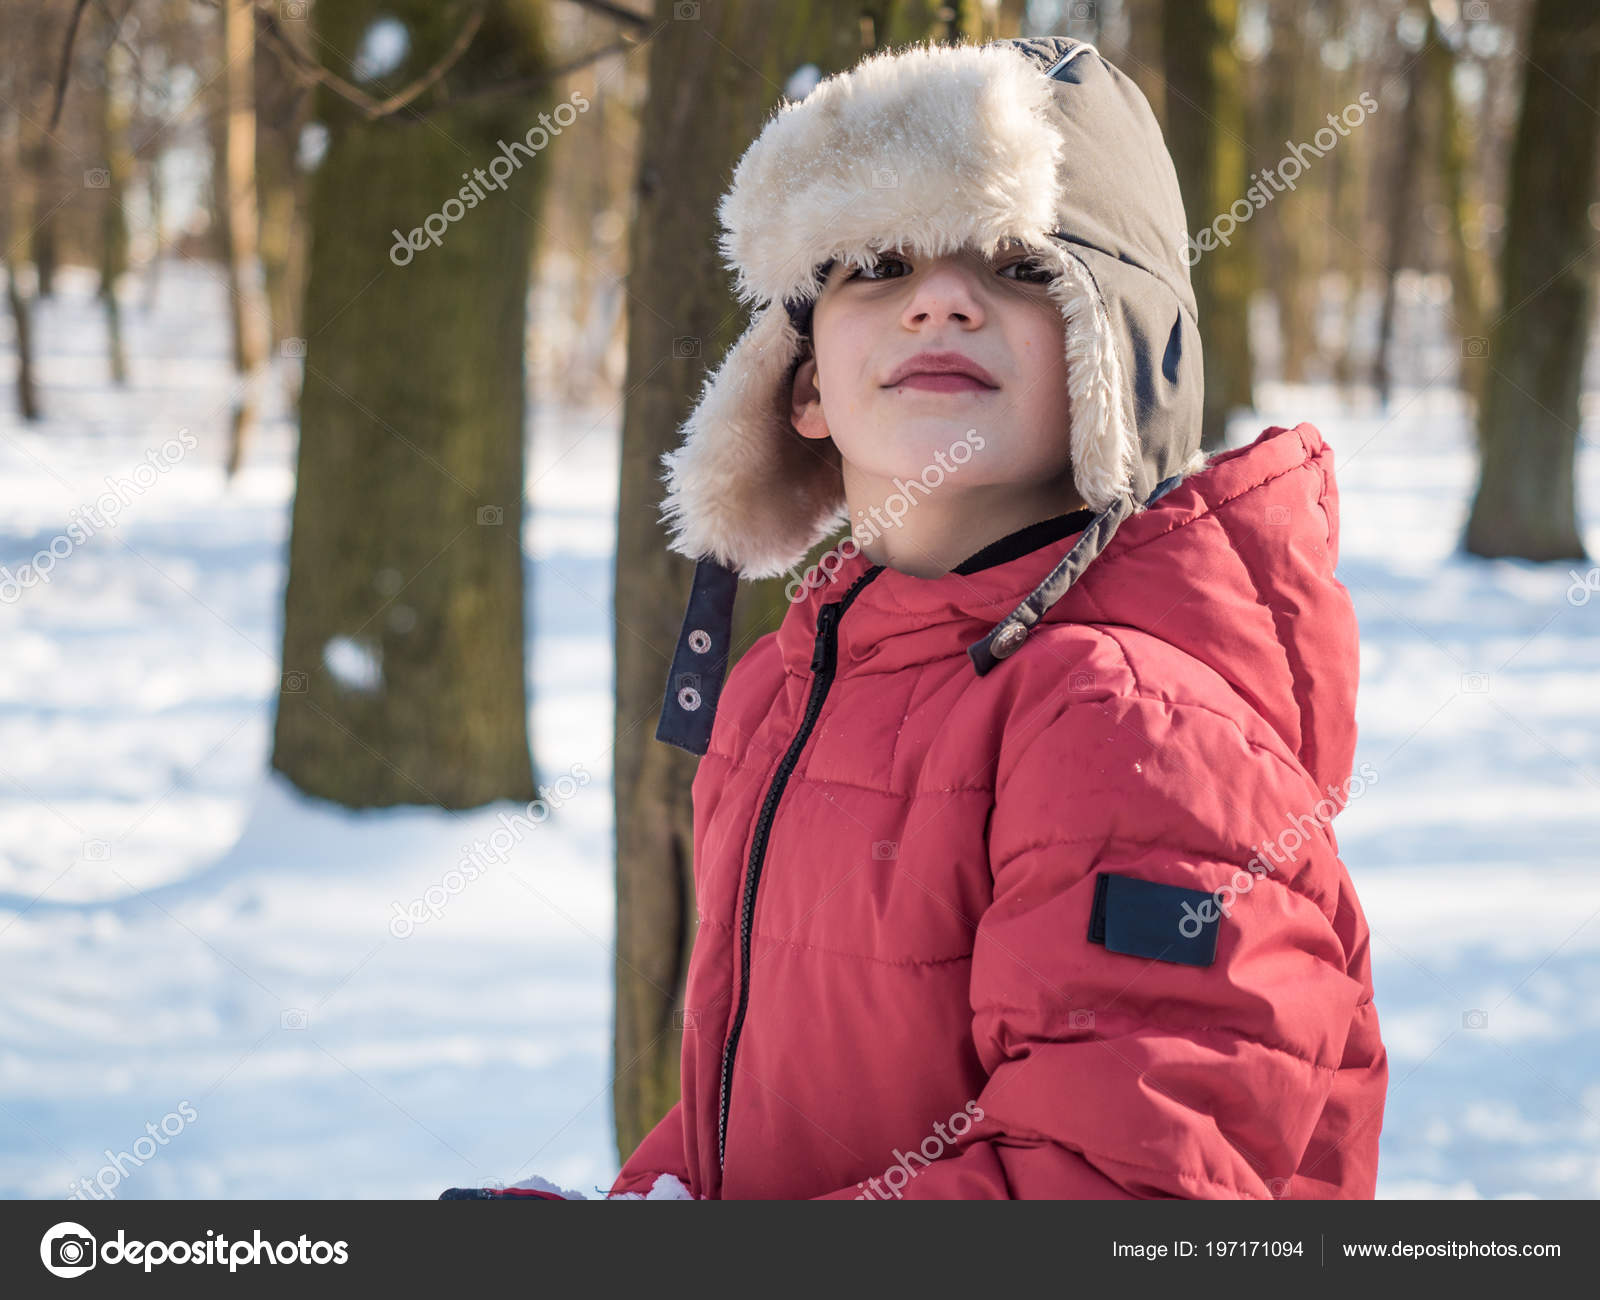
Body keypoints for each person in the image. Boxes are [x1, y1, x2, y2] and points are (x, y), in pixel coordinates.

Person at [472, 32, 1386, 1202]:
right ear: (801, 382)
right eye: (879, 264)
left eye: (1016, 264)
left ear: (1118, 362)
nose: (941, 299)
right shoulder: (787, 690)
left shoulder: (1128, 722)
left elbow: (1123, 1187)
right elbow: (755, 1112)